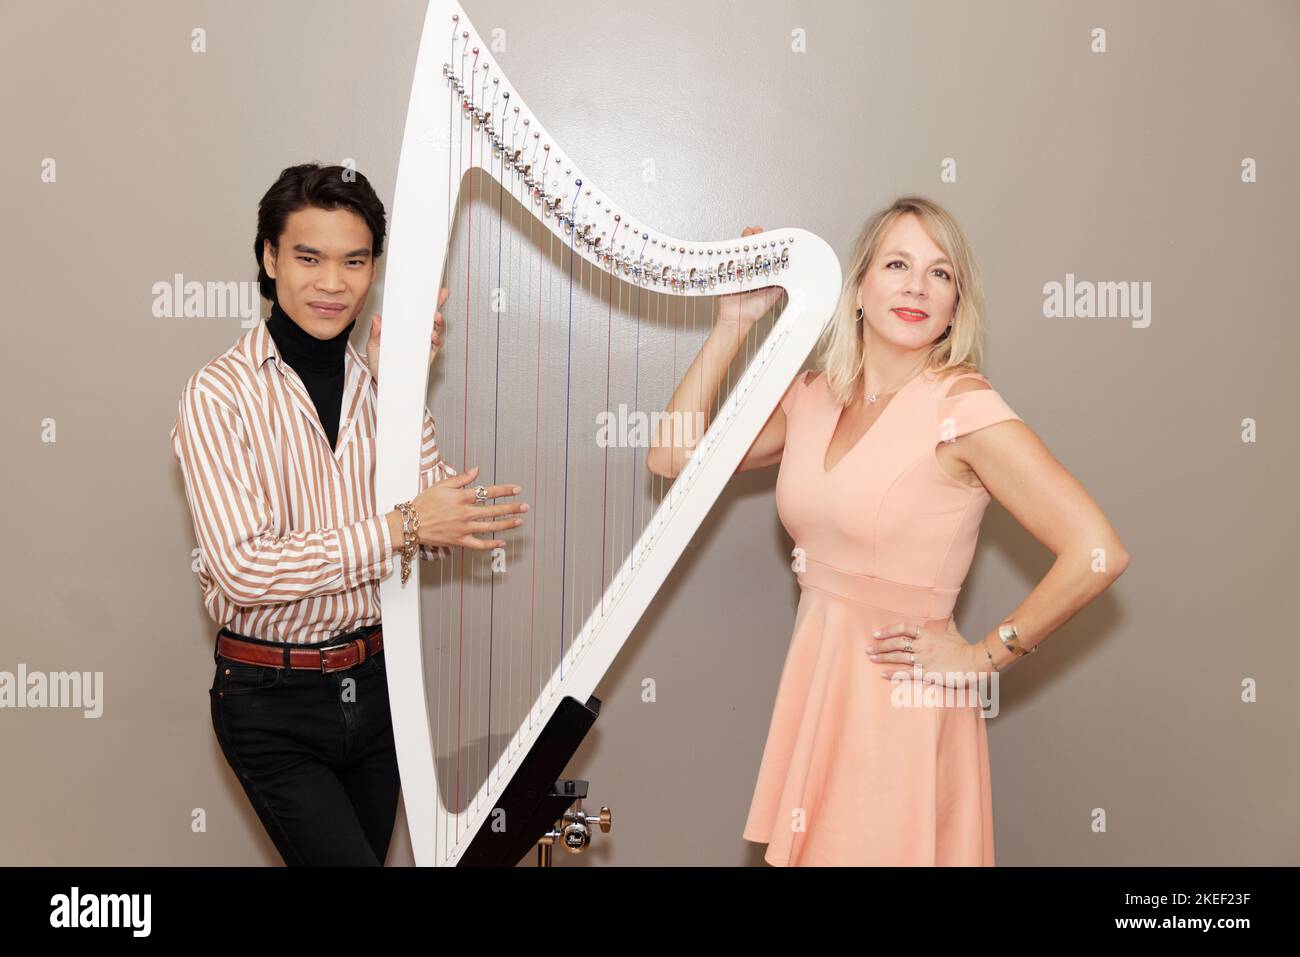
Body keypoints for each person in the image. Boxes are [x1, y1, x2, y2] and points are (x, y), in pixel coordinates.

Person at [646, 197, 1130, 866]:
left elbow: (1097, 551)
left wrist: (985, 654)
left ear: (956, 305)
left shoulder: (963, 405)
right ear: (859, 290)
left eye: (940, 273)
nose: (916, 286)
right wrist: (733, 323)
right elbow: (671, 457)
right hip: (821, 692)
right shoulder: (813, 395)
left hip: (901, 705)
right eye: (897, 263)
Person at [170, 163, 529, 865]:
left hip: (379, 689)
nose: (332, 283)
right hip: (270, 700)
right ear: (269, 259)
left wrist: (404, 390)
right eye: (308, 257)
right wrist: (405, 525)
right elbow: (244, 570)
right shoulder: (217, 395)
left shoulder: (378, 385)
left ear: (374, 269)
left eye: (354, 261)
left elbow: (431, 528)